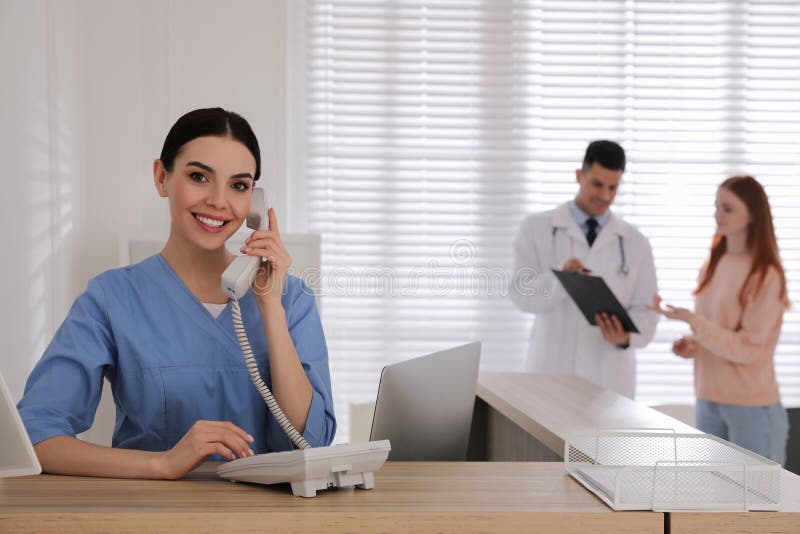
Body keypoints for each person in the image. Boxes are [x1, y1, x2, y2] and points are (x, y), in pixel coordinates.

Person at [17, 108, 336, 479]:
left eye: (239, 185)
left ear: (255, 202)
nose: (219, 201)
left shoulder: (289, 298)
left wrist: (269, 306)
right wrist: (162, 463)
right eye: (199, 177)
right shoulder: (111, 298)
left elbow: (311, 442)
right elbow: (35, 437)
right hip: (152, 517)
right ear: (161, 177)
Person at [650, 175, 789, 464]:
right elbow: (716, 331)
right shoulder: (713, 266)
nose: (718, 215)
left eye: (728, 208)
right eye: (716, 206)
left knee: (757, 506)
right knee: (712, 504)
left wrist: (694, 324)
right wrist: (693, 343)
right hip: (708, 401)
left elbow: (748, 349)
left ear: (752, 214)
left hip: (750, 408)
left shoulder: (765, 276)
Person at [510, 140, 658, 398]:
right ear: (579, 176)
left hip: (610, 378)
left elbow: (647, 312)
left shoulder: (635, 242)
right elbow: (522, 296)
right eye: (597, 184)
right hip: (551, 372)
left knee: (605, 437)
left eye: (613, 187)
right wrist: (560, 279)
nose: (605, 196)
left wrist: (624, 337)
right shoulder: (536, 228)